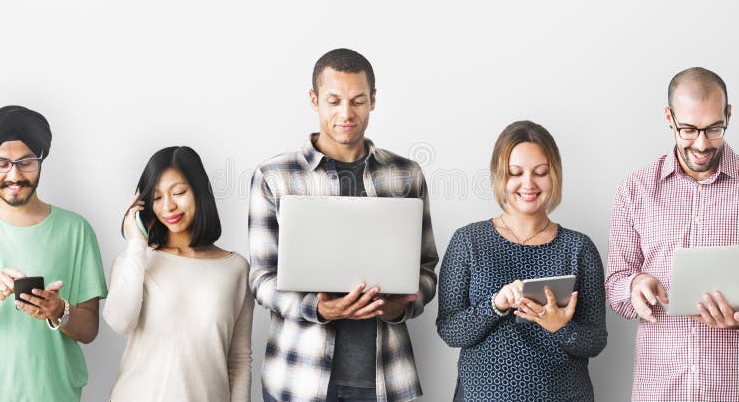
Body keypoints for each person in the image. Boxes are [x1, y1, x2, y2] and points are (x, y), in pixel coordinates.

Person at [249, 48, 439, 401]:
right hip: (298, 379)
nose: (346, 114)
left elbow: (426, 268)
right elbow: (261, 278)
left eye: (358, 101)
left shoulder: (406, 175)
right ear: (314, 99)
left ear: (374, 100)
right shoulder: (274, 177)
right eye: (334, 101)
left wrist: (401, 307)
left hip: (384, 379)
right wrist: (319, 309)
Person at [606, 67, 739, 401]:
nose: (702, 144)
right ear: (669, 118)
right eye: (688, 130)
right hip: (659, 389)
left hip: (738, 390)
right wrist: (634, 286)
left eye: (714, 128)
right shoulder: (636, 189)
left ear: (728, 115)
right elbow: (615, 284)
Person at [436, 120, 607, 402]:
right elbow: (450, 330)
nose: (528, 184)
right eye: (515, 173)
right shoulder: (469, 241)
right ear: (499, 177)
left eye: (540, 172)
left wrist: (560, 327)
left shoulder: (579, 248)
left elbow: (596, 340)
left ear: (555, 176)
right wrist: (496, 305)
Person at [0, 105, 108, 401]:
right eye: (1, 163)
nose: (14, 175)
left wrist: (58, 311)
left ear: (41, 160)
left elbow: (89, 329)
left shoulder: (76, 230)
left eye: (26, 162)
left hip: (54, 394)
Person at [104, 146, 253, 402]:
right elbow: (120, 322)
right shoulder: (134, 260)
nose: (168, 206)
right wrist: (138, 243)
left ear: (199, 192)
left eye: (179, 192)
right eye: (157, 197)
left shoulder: (235, 268)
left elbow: (238, 360)